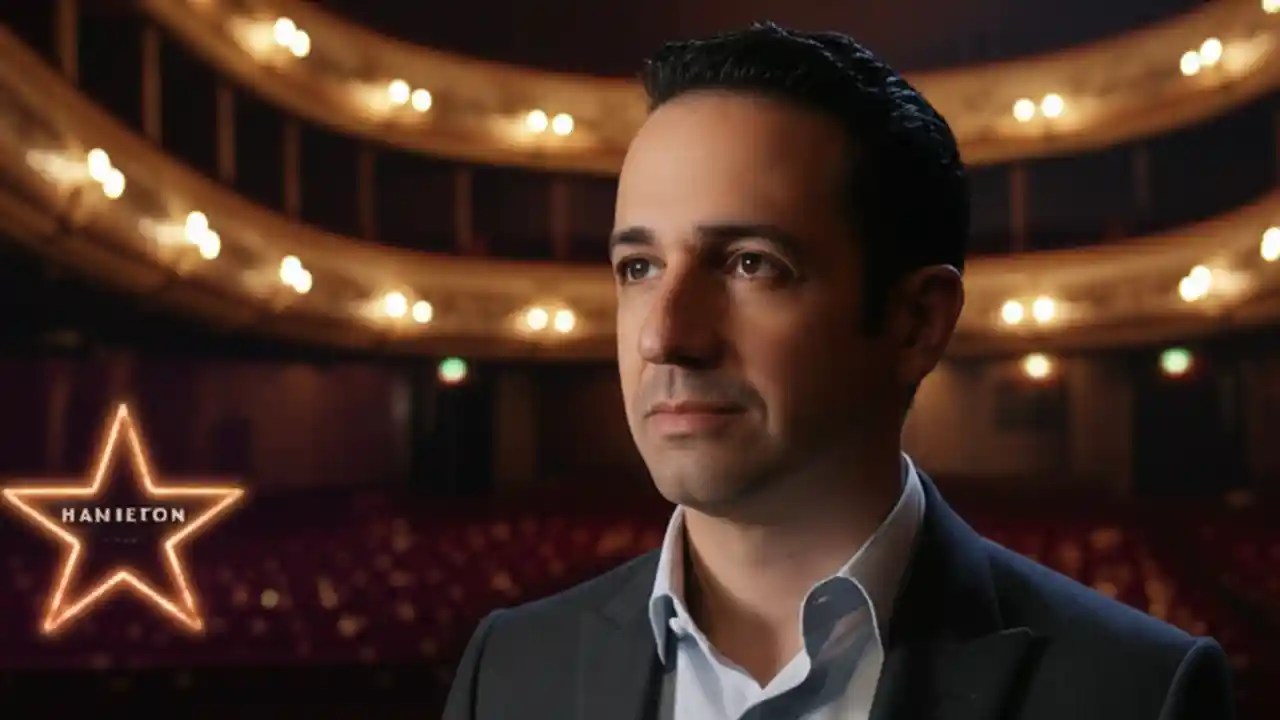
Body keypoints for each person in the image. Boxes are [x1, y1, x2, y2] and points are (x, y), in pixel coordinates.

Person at [444, 22, 1235, 720]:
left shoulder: (1135, 693)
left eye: (752, 263)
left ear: (915, 322)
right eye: (640, 266)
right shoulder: (509, 671)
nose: (666, 336)